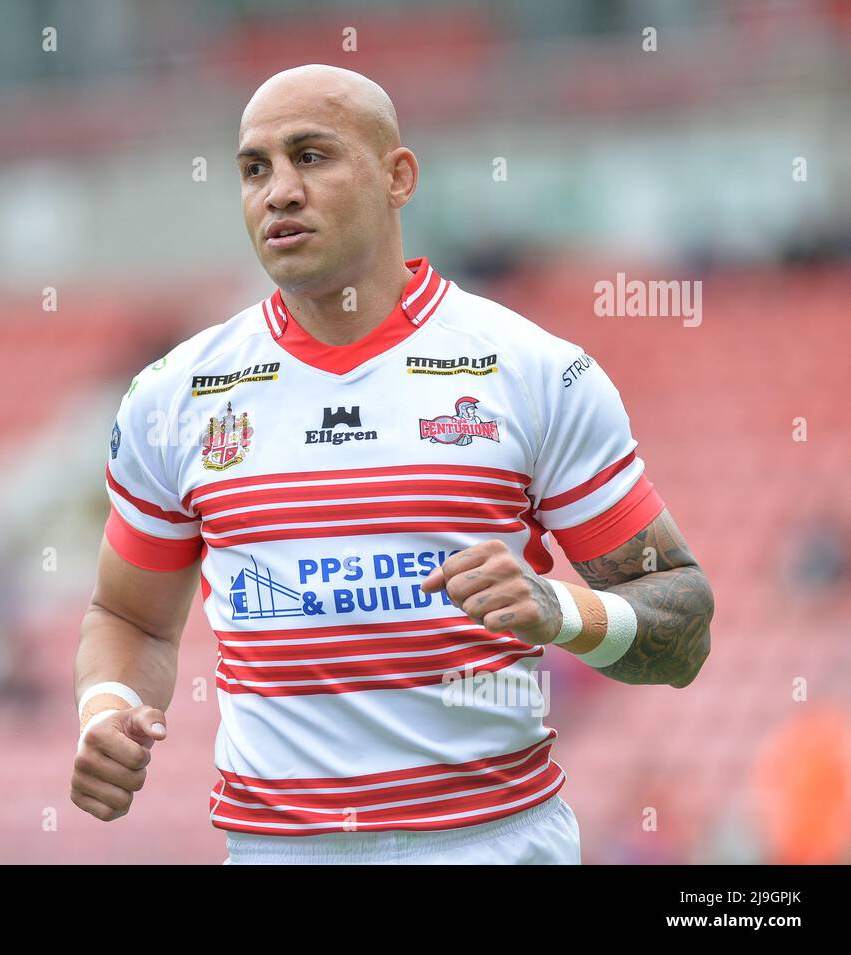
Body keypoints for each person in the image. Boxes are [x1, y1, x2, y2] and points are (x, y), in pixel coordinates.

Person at [71, 64, 714, 864]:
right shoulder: (174, 396)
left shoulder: (533, 371)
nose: (278, 191)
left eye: (311, 156)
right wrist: (106, 708)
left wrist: (560, 610)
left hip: (495, 843)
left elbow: (684, 626)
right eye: (254, 168)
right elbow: (128, 618)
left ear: (398, 176)